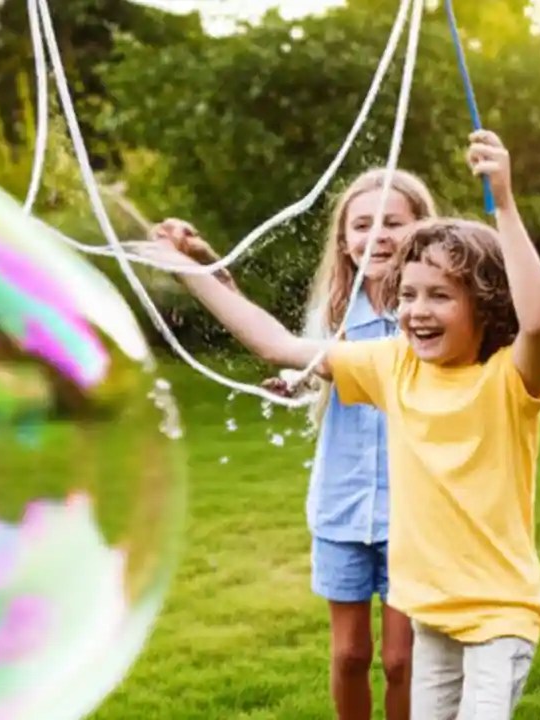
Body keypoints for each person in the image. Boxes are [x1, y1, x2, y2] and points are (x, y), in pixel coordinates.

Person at [138, 130, 540, 719]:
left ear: (485, 304)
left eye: (440, 296)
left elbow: (537, 322)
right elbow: (278, 343)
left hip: (499, 614)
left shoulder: (510, 381)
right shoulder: (393, 364)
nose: (416, 310)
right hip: (433, 611)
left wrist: (505, 202)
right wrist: (187, 271)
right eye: (407, 295)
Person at [156, 168, 437, 720]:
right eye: (362, 224)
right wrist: (209, 270)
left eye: (393, 223)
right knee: (351, 653)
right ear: (343, 240)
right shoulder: (337, 312)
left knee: (403, 660)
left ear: (424, 232)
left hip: (416, 513)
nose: (376, 235)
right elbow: (286, 350)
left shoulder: (430, 313)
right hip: (342, 506)